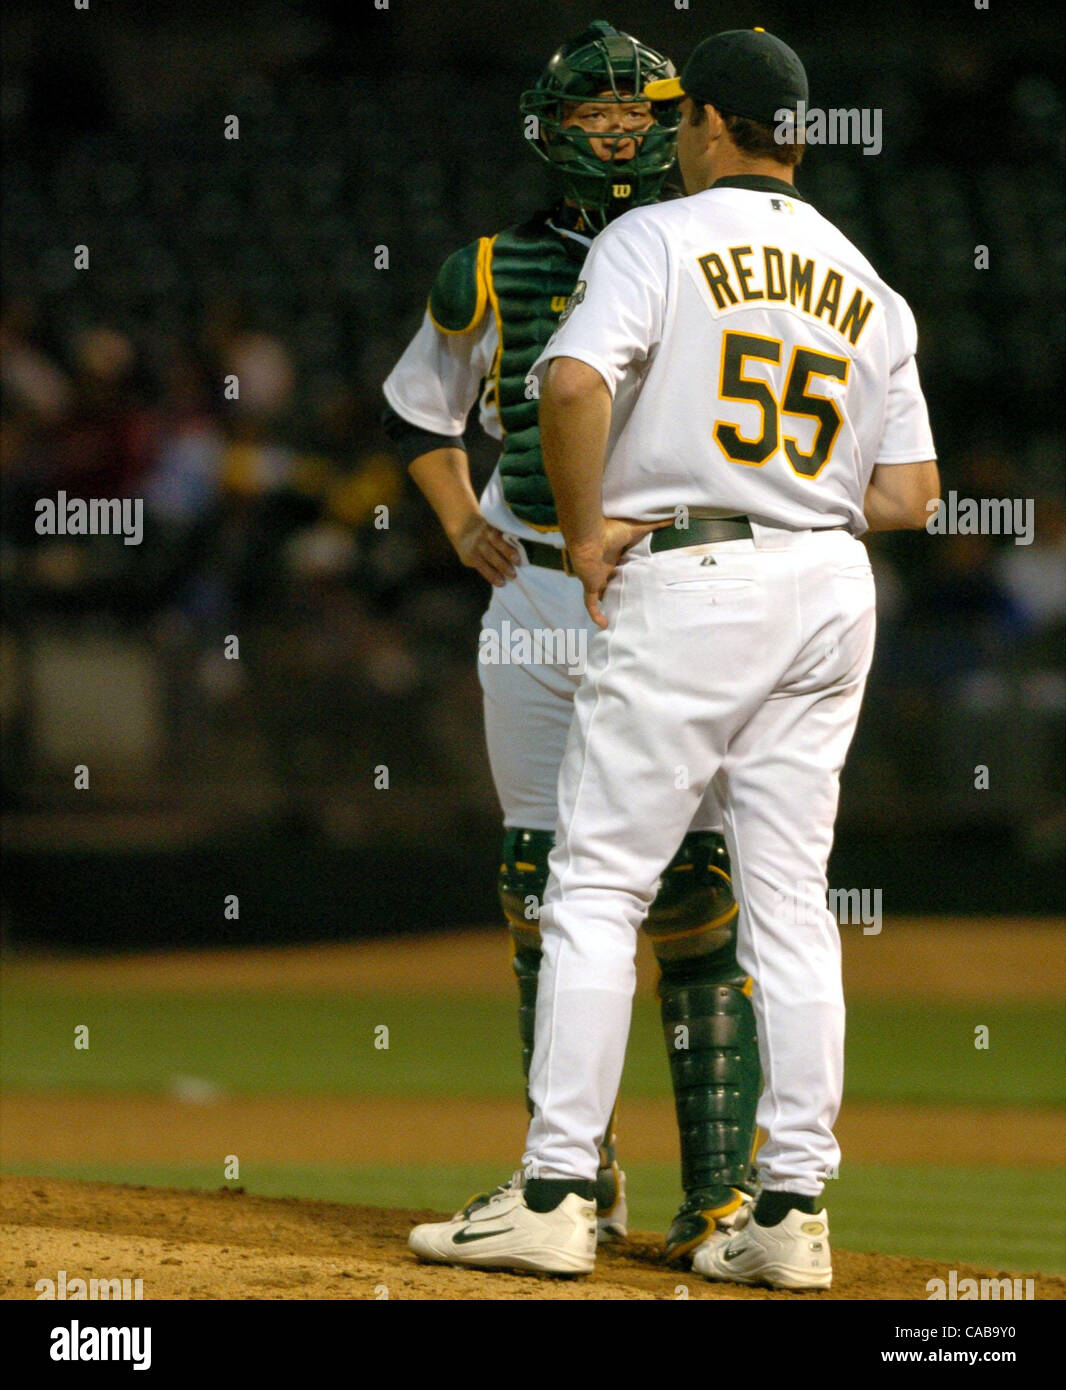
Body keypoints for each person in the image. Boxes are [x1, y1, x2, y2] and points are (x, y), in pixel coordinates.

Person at [408, 27, 939, 1287]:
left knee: (592, 885)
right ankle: (789, 1213)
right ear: (797, 135)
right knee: (791, 904)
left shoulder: (656, 235)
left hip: (694, 576)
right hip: (828, 587)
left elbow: (572, 382)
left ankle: (553, 1193)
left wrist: (587, 530)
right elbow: (914, 493)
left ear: (703, 122)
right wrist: (795, 506)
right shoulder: (869, 280)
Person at [386, 21, 762, 1262]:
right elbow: (425, 419)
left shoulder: (711, 256)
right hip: (538, 596)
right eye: (590, 118)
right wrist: (458, 523)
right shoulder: (485, 270)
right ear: (550, 130)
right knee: (538, 885)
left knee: (696, 895)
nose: (611, 136)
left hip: (669, 585)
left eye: (631, 115)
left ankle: (719, 1199)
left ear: (674, 124)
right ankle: (571, 1180)